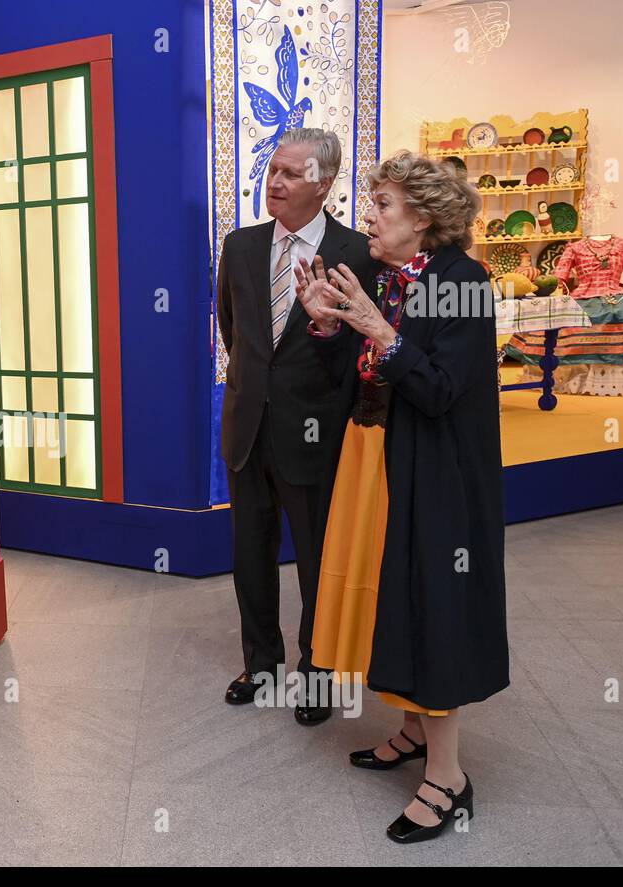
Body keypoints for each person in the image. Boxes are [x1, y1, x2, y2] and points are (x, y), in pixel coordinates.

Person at [295, 150, 509, 843]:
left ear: (423, 217)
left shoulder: (465, 282)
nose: (369, 216)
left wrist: (379, 330)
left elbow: (442, 389)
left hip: (439, 474)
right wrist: (328, 324)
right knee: (395, 600)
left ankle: (449, 778)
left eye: (382, 204)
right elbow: (364, 370)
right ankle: (413, 730)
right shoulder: (393, 278)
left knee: (433, 607)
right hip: (382, 461)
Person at [215, 129, 376, 724]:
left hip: (316, 435)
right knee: (250, 554)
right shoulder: (240, 245)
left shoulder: (358, 255)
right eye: (271, 170)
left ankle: (317, 671)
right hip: (247, 429)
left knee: (315, 560)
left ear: (323, 184)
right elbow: (236, 334)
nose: (273, 183)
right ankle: (261, 664)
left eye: (289, 174)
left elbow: (362, 353)